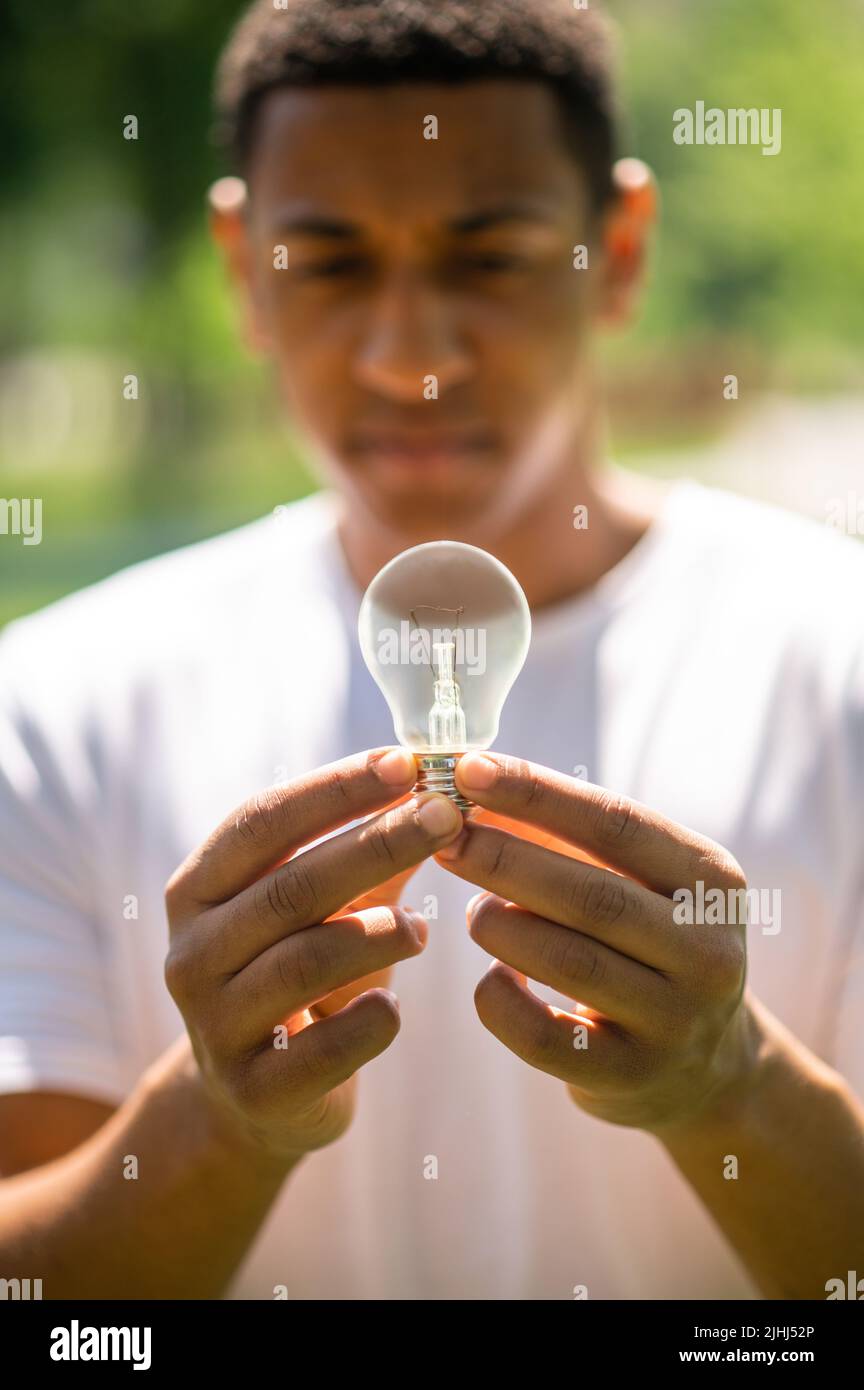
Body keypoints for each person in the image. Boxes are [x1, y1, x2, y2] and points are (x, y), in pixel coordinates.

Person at [1, 0, 862, 1302]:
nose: (410, 354)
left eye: (493, 256)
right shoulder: (55, 710)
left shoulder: (837, 664)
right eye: (330, 260)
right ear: (242, 262)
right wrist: (225, 1124)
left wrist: (730, 1084)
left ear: (616, 249)